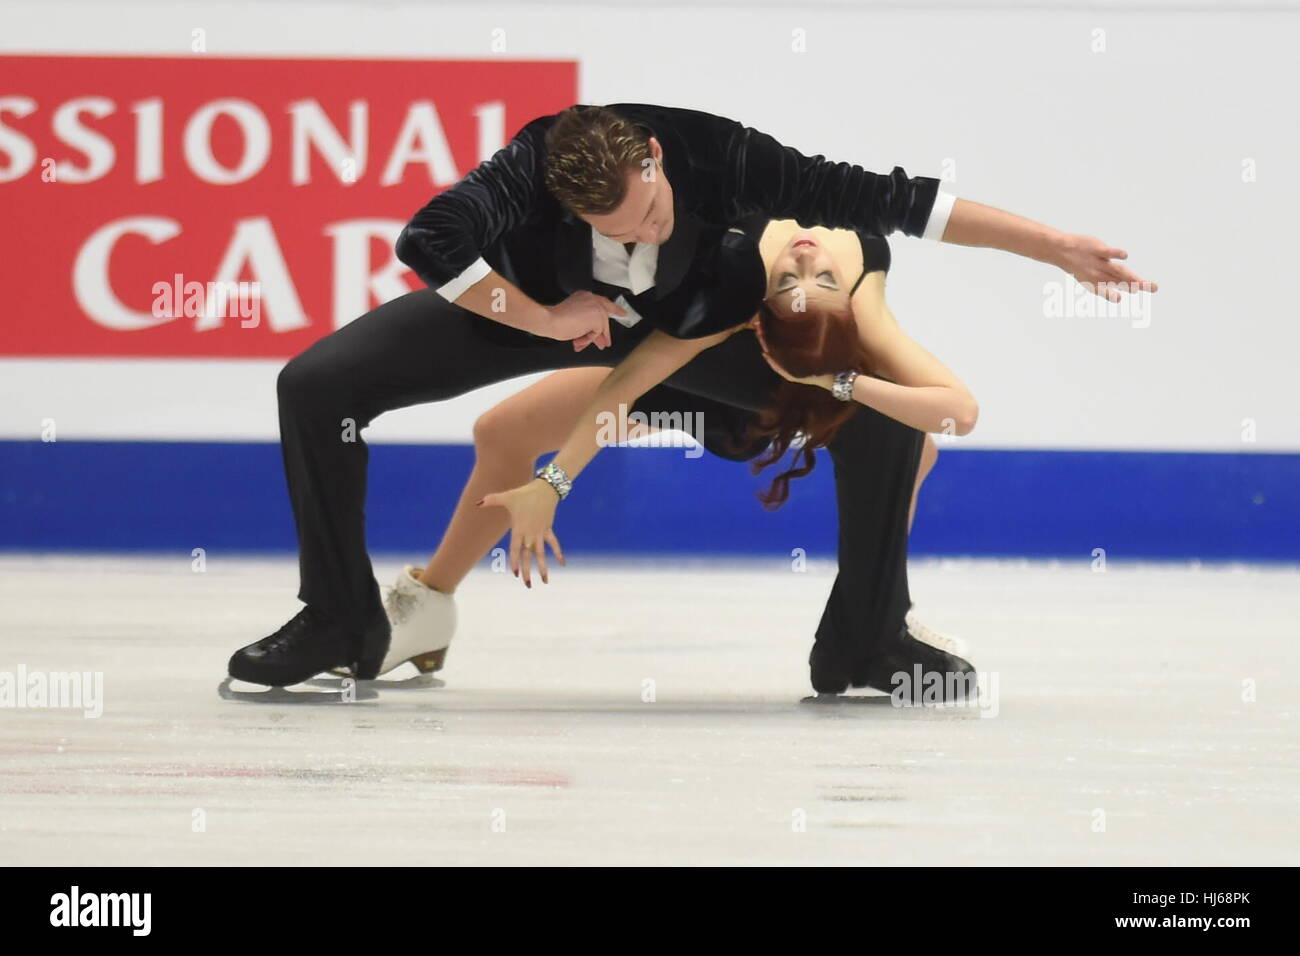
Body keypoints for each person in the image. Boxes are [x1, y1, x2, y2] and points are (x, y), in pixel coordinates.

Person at [226, 103, 1154, 693]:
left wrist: (1051, 248)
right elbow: (429, 239)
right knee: (316, 385)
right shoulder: (526, 171)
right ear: (567, 204)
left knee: (876, 423)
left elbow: (894, 199)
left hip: (679, 328)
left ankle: (869, 638)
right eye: (617, 228)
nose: (644, 228)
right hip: (540, 308)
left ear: (659, 159)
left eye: (654, 211)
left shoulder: (729, 165)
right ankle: (341, 615)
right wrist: (542, 319)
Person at [373, 223, 976, 696]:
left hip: (744, 393)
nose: (802, 265)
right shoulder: (806, 249)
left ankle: (882, 614)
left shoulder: (844, 307)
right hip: (685, 368)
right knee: (501, 432)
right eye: (799, 281)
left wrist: (836, 381)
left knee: (912, 444)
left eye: (809, 285)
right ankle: (428, 610)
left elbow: (952, 416)